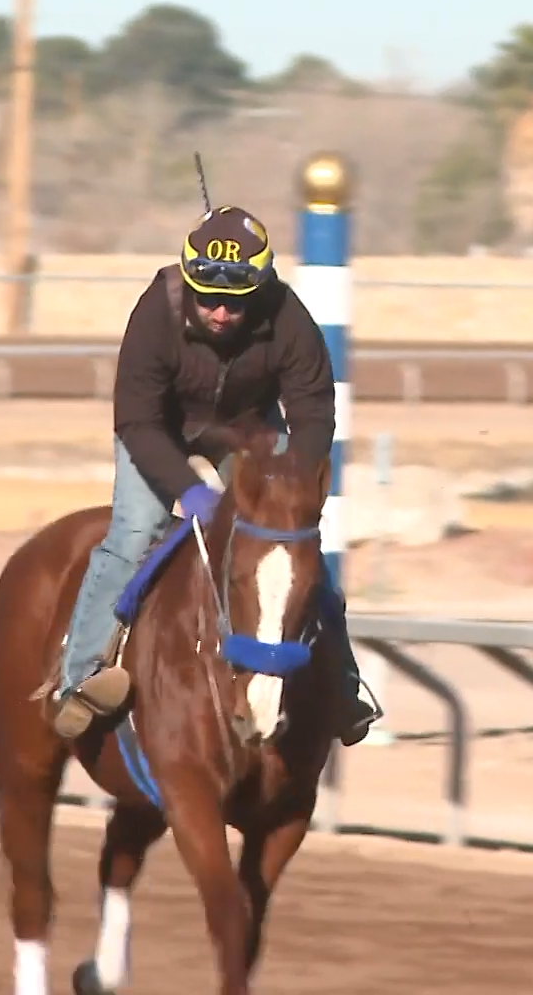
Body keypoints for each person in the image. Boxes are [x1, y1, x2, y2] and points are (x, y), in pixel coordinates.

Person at [50, 203, 382, 746]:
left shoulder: (290, 319)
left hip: (245, 430)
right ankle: (80, 676)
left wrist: (294, 489)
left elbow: (314, 412)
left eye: (236, 302)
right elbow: (135, 417)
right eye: (209, 299)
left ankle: (343, 684)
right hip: (157, 430)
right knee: (134, 534)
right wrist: (187, 490)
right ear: (188, 279)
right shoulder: (156, 311)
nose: (222, 313)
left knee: (292, 549)